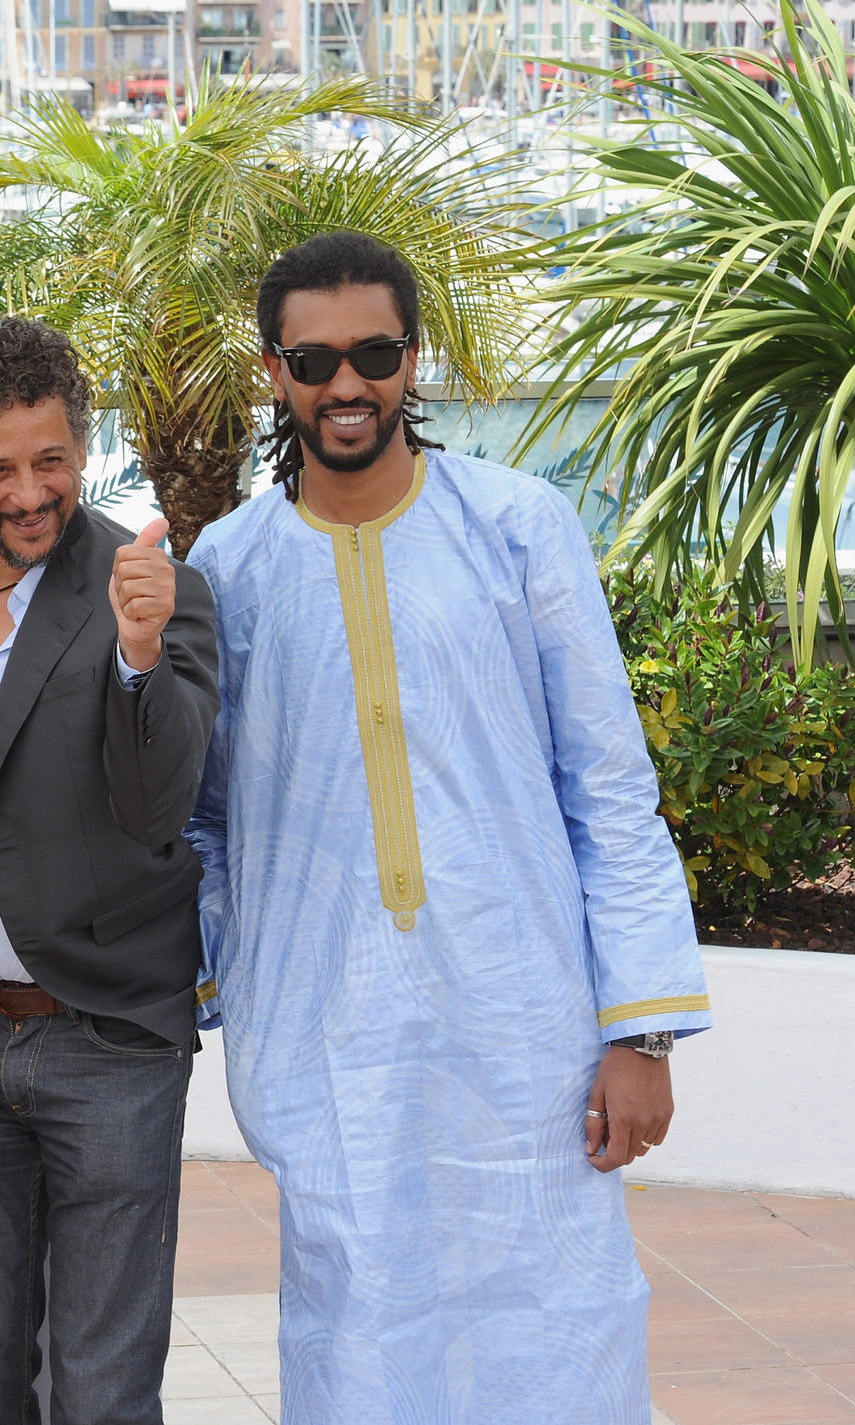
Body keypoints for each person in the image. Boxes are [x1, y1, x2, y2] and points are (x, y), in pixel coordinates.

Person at [183, 230, 713, 1424]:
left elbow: (607, 787)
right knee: (355, 1335)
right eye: (313, 361)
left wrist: (643, 1033)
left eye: (371, 353)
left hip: (524, 1034)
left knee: (552, 1323)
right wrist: (246, 988)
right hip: (328, 1046)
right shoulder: (233, 565)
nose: (345, 385)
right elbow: (203, 820)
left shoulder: (519, 527)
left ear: (410, 359)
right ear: (274, 373)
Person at [0, 316, 220, 1423]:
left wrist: (135, 659)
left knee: (98, 1381)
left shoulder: (149, 589)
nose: (29, 492)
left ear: (80, 446)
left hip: (105, 1041)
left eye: (51, 460)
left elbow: (160, 804)